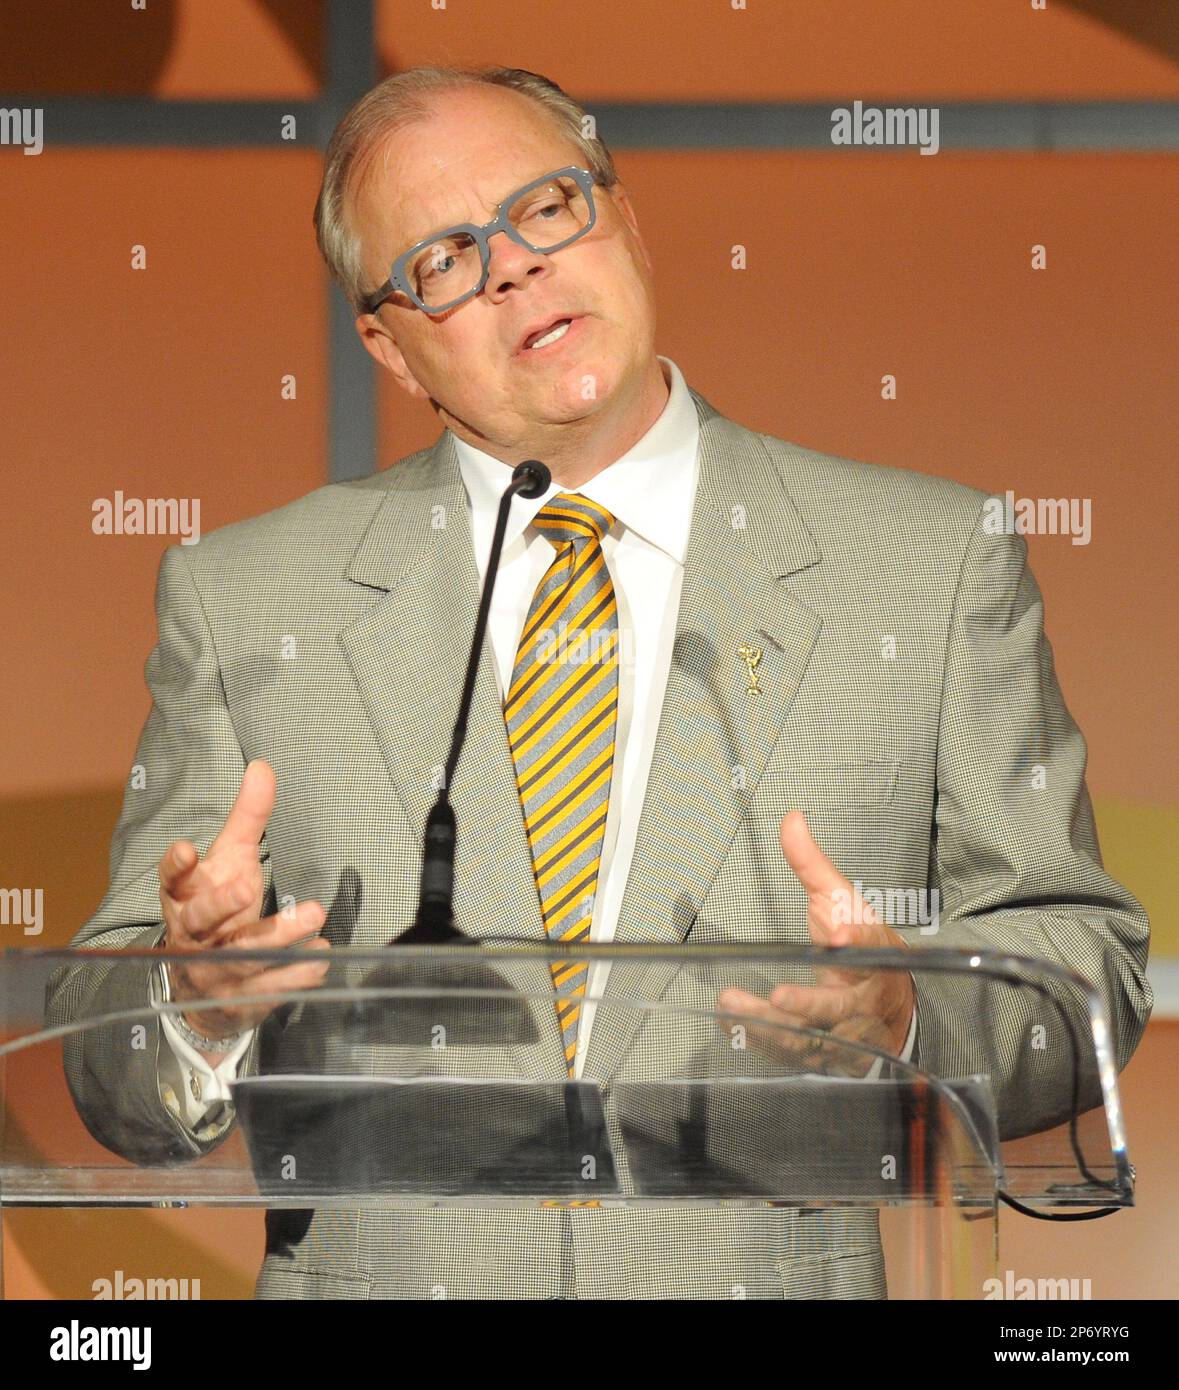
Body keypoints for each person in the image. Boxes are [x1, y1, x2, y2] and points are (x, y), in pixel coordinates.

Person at [50, 65, 1151, 1299]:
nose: (512, 263)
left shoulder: (930, 564)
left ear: (626, 219)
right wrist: (194, 1005)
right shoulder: (245, 596)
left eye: (546, 206)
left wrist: (910, 1021)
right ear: (390, 346)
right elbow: (108, 1060)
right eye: (444, 260)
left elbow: (1082, 967)